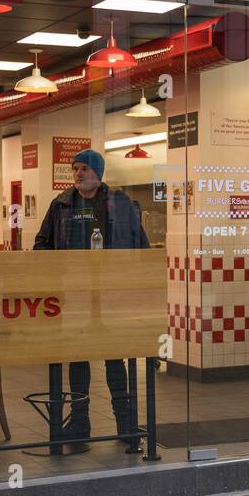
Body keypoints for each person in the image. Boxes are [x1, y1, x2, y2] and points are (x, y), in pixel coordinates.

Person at [33, 148, 149, 445]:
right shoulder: (60, 205)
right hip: (74, 294)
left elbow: (141, 248)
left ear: (99, 173)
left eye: (84, 168)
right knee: (78, 358)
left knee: (115, 359)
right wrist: (55, 270)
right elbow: (41, 243)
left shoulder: (120, 204)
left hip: (111, 293)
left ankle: (126, 425)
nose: (78, 173)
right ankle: (79, 422)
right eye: (75, 168)